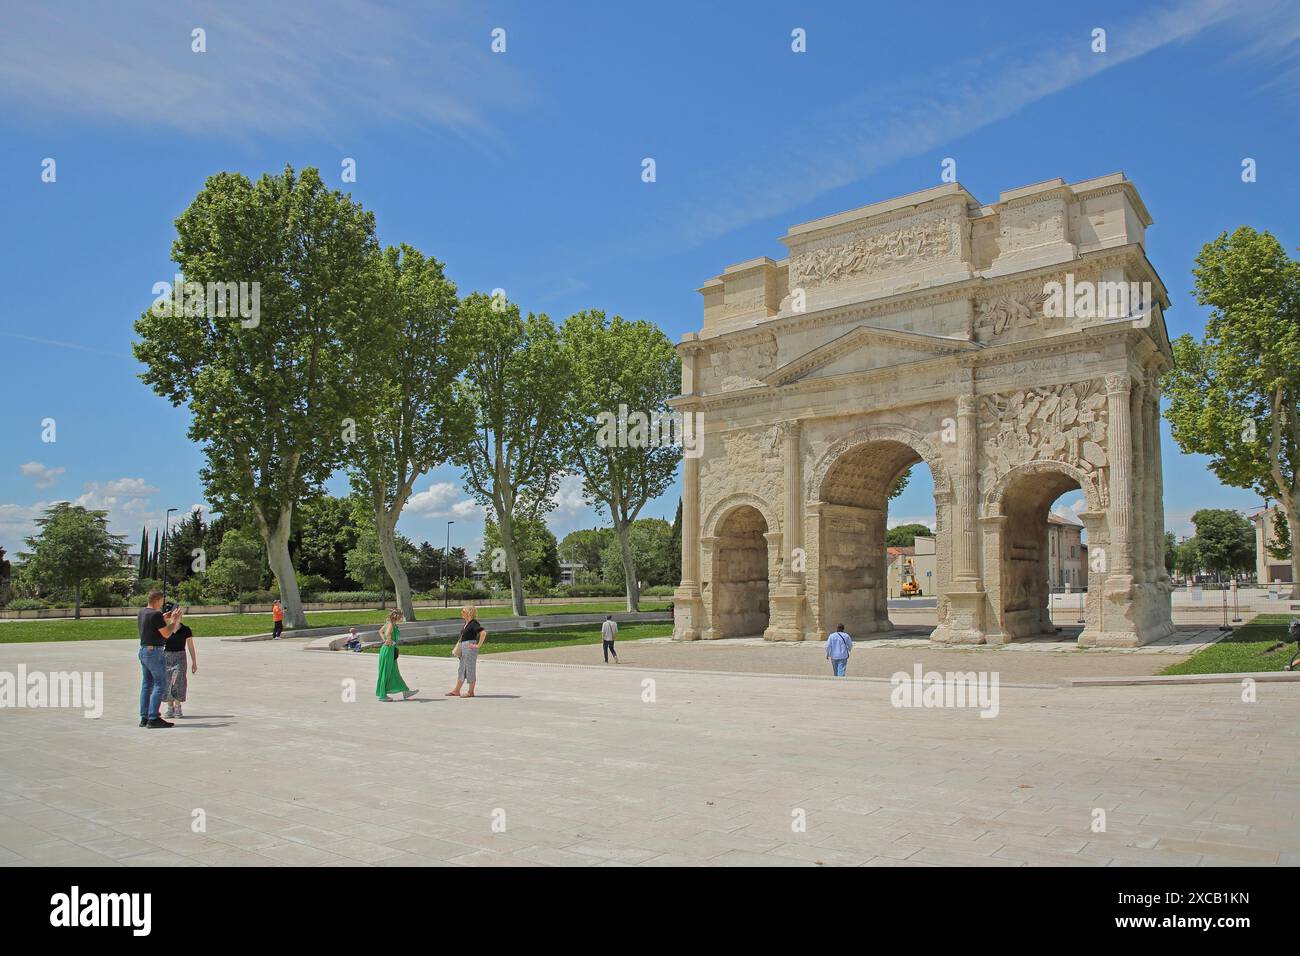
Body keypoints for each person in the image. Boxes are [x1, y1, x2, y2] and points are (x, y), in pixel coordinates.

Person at [138, 590, 183, 728]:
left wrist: (163, 618)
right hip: (155, 653)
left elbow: (152, 625)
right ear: (157, 600)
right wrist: (174, 621)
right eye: (162, 601)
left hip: (144, 650)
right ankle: (153, 718)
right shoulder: (156, 614)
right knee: (160, 684)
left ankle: (144, 717)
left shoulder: (143, 612)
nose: (162, 604)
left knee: (147, 684)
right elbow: (167, 634)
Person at [162, 603, 197, 718]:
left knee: (179, 681)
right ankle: (170, 707)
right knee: (167, 682)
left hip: (180, 657)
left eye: (179, 613)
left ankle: (178, 706)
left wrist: (194, 662)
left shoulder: (186, 630)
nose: (178, 615)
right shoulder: (166, 629)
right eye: (175, 613)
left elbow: (191, 646)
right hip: (167, 657)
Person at [376, 610, 417, 701]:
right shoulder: (391, 624)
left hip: (389, 649)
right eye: (400, 615)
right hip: (388, 649)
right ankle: (382, 695)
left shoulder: (389, 623)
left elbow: (380, 631)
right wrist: (389, 640)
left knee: (394, 671)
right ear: (397, 616)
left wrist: (385, 640)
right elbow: (387, 633)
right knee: (386, 672)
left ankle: (405, 691)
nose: (401, 617)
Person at [447, 605, 486, 698]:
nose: (461, 613)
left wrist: (478, 645)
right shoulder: (467, 623)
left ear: (469, 613)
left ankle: (470, 692)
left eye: (463, 611)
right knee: (461, 669)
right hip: (464, 647)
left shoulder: (473, 623)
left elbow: (483, 633)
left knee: (470, 669)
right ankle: (456, 691)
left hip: (470, 648)